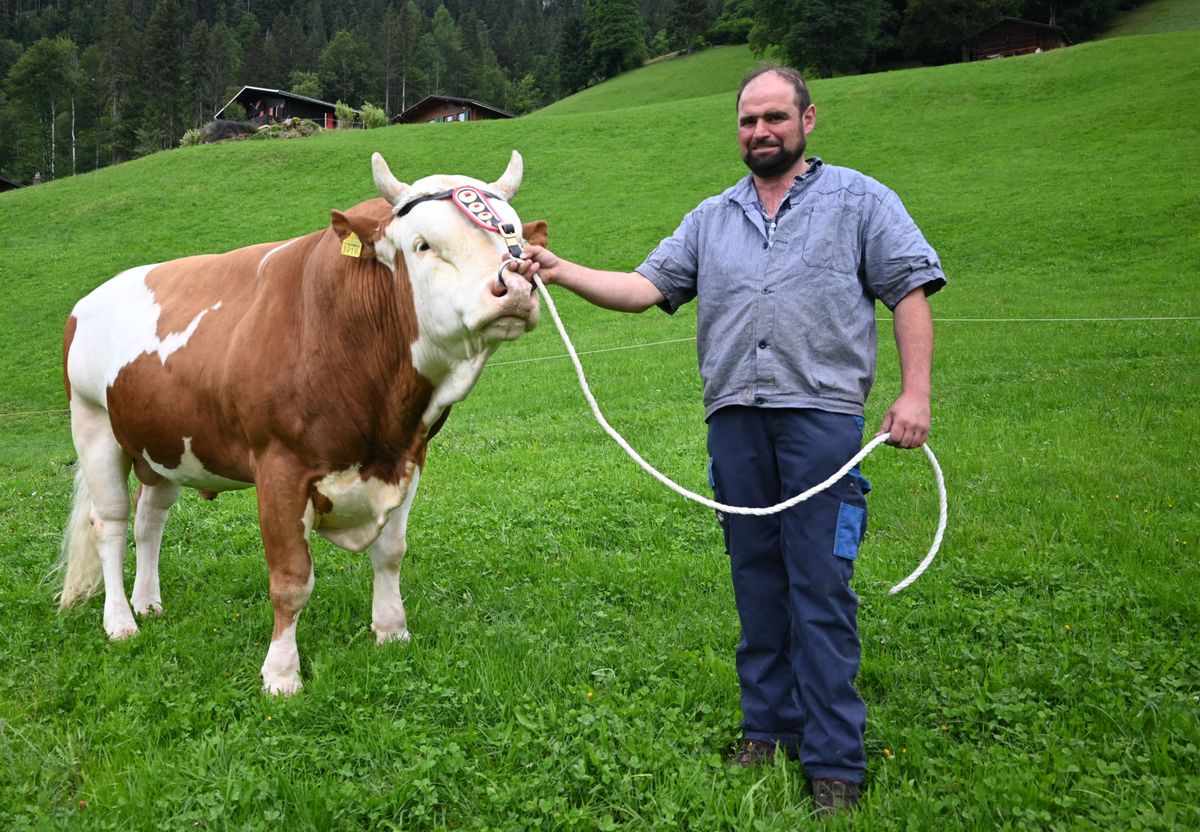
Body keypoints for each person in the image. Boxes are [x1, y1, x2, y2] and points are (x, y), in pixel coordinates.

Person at [508, 64, 945, 815]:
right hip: (735, 421)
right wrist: (558, 268)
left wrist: (915, 394)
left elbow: (907, 289)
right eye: (748, 121)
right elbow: (644, 290)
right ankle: (766, 729)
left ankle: (835, 761)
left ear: (809, 119)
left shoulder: (861, 201)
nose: (760, 132)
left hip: (822, 419)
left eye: (775, 117)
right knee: (756, 580)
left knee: (820, 585)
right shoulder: (712, 218)